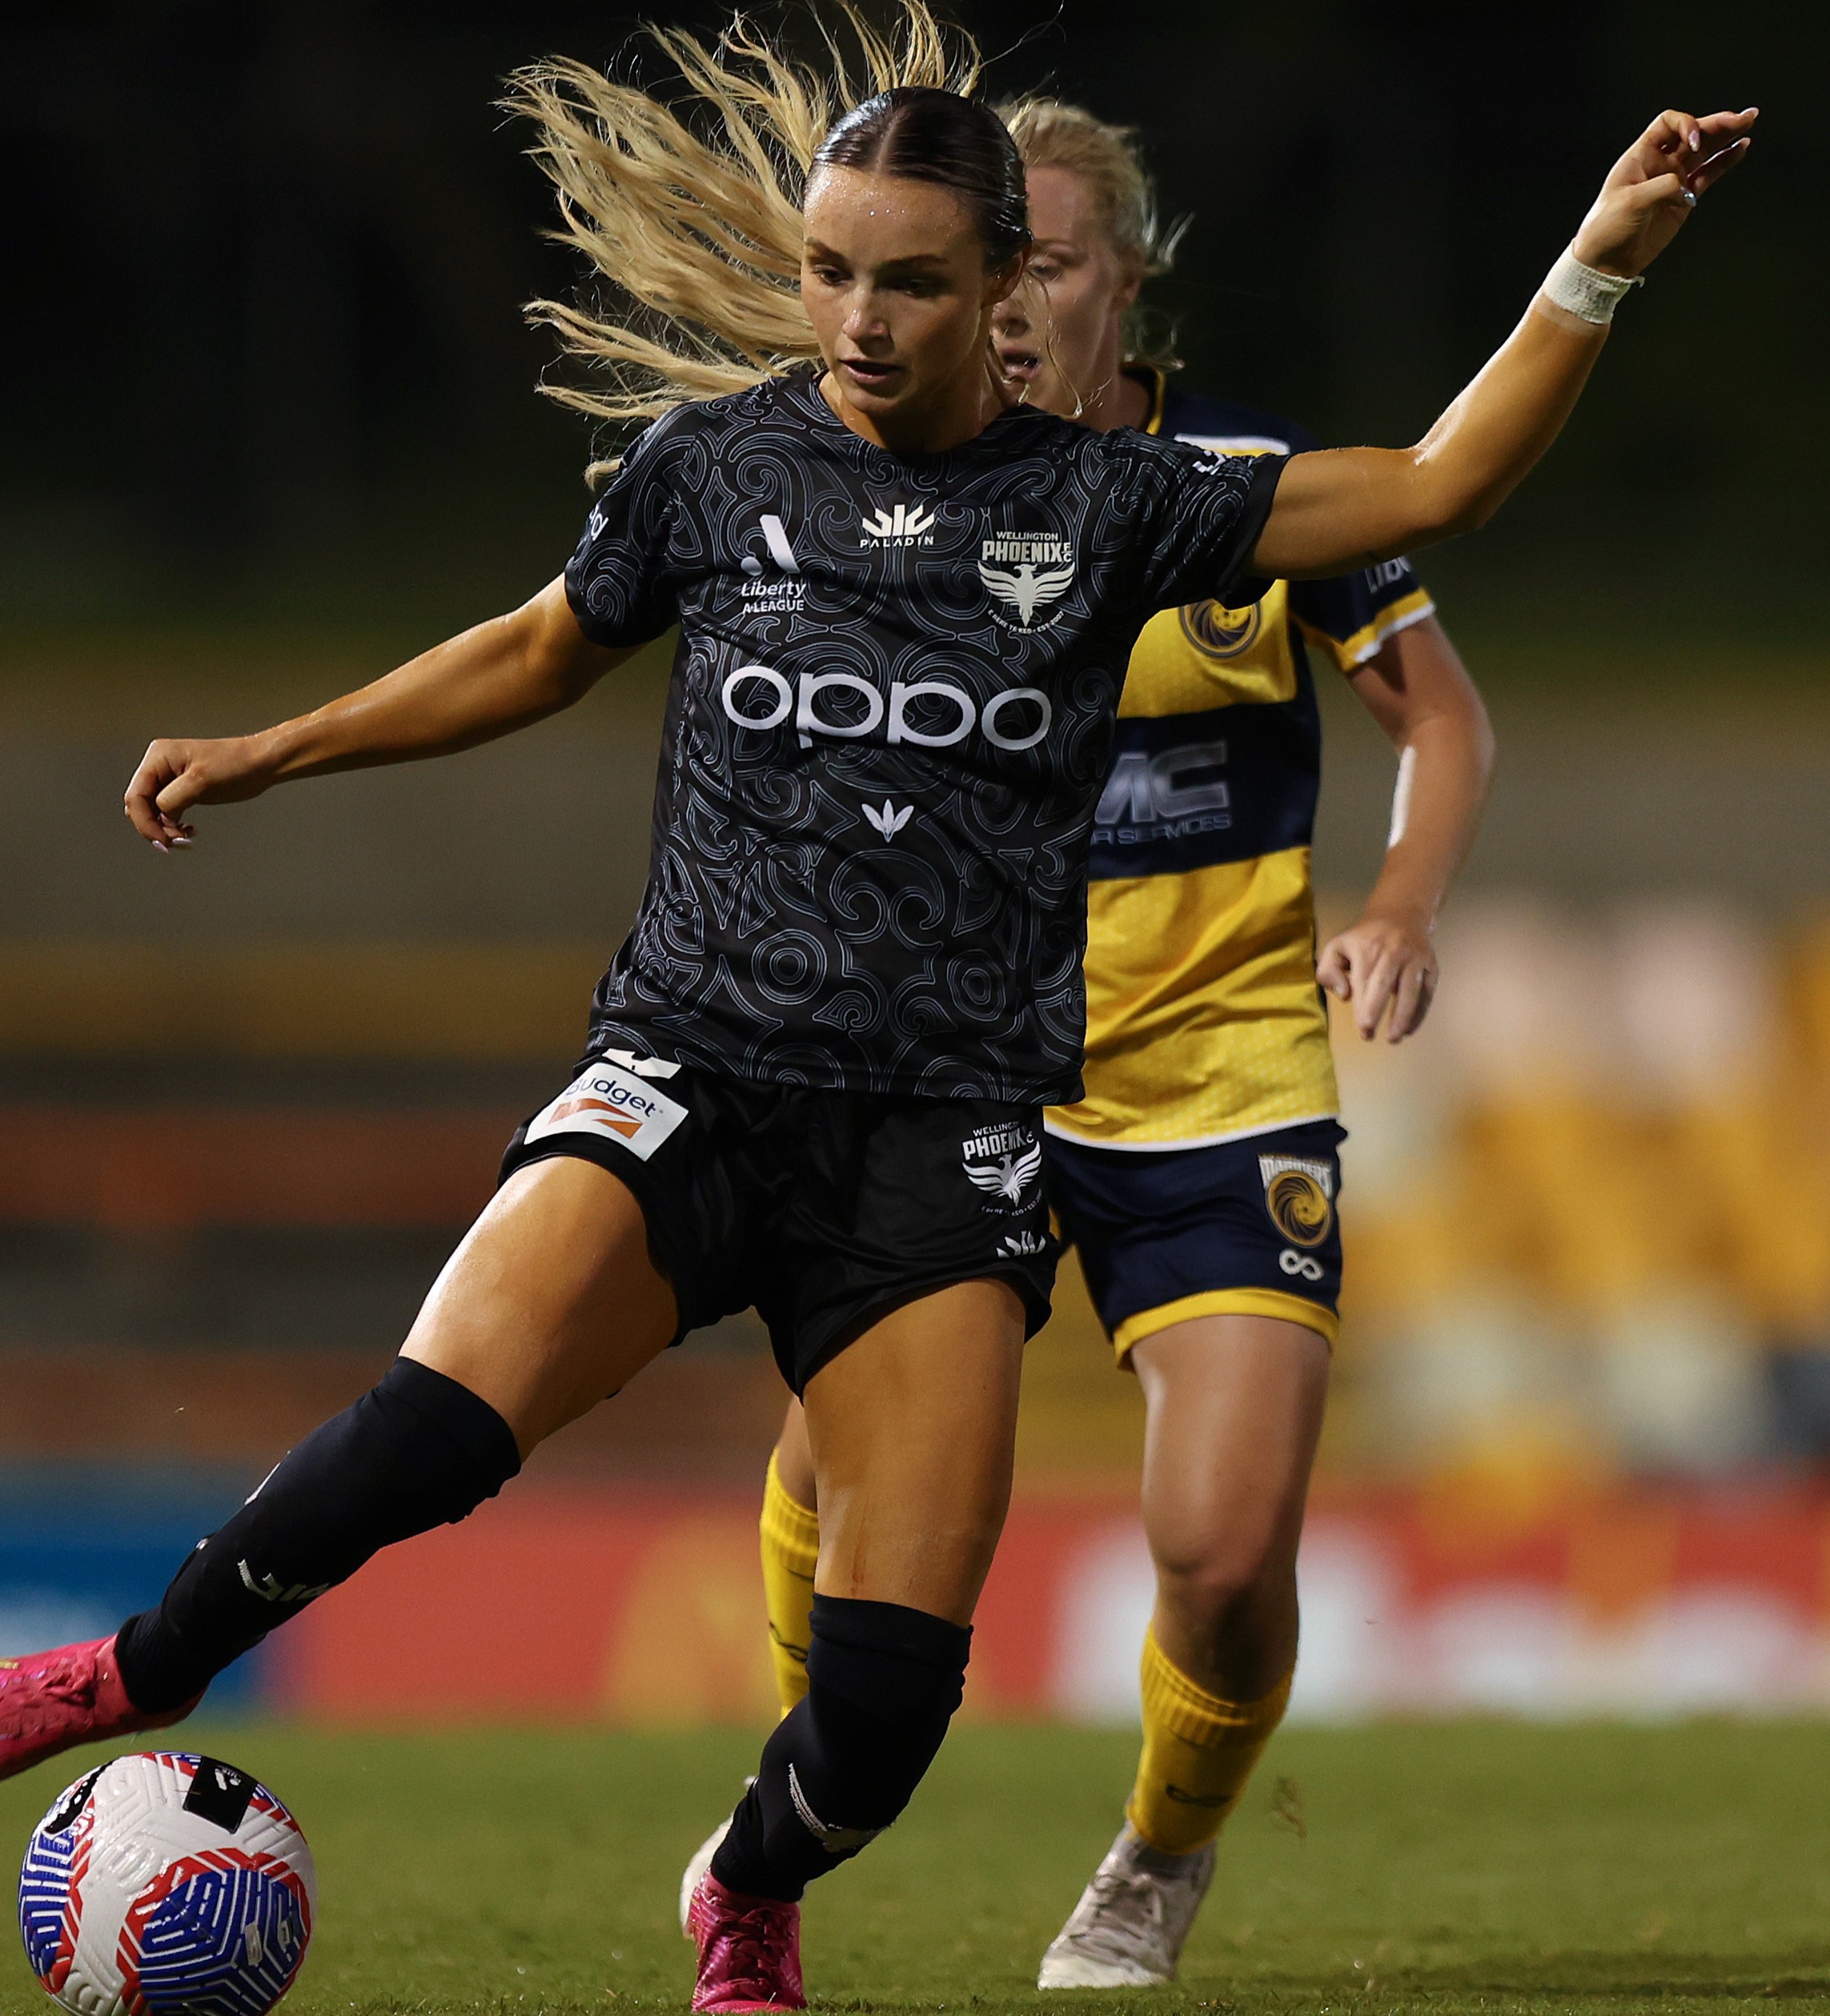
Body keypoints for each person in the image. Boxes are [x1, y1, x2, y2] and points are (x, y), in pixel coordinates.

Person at [0, 6, 1750, 2008]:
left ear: (1000, 292)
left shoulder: (1110, 510)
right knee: (417, 1432)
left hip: (939, 1148)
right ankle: (124, 1673)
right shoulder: (715, 464)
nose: (860, 319)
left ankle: (751, 1886)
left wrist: (1598, 256)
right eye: (829, 272)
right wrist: (274, 747)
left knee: (875, 1724)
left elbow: (1445, 485)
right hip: (690, 1069)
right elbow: (534, 654)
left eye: (912, 281)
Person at [710, 94, 1495, 1992]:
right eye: (989, 270)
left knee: (1219, 1553)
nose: (1001, 309)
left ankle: (1158, 1851)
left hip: (1218, 1077)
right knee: (828, 1477)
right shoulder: (906, 492)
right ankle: (790, 1820)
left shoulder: (1241, 497)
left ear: (1120, 282)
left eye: (1042, 264)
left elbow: (1442, 723)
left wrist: (1392, 909)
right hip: (966, 1069)